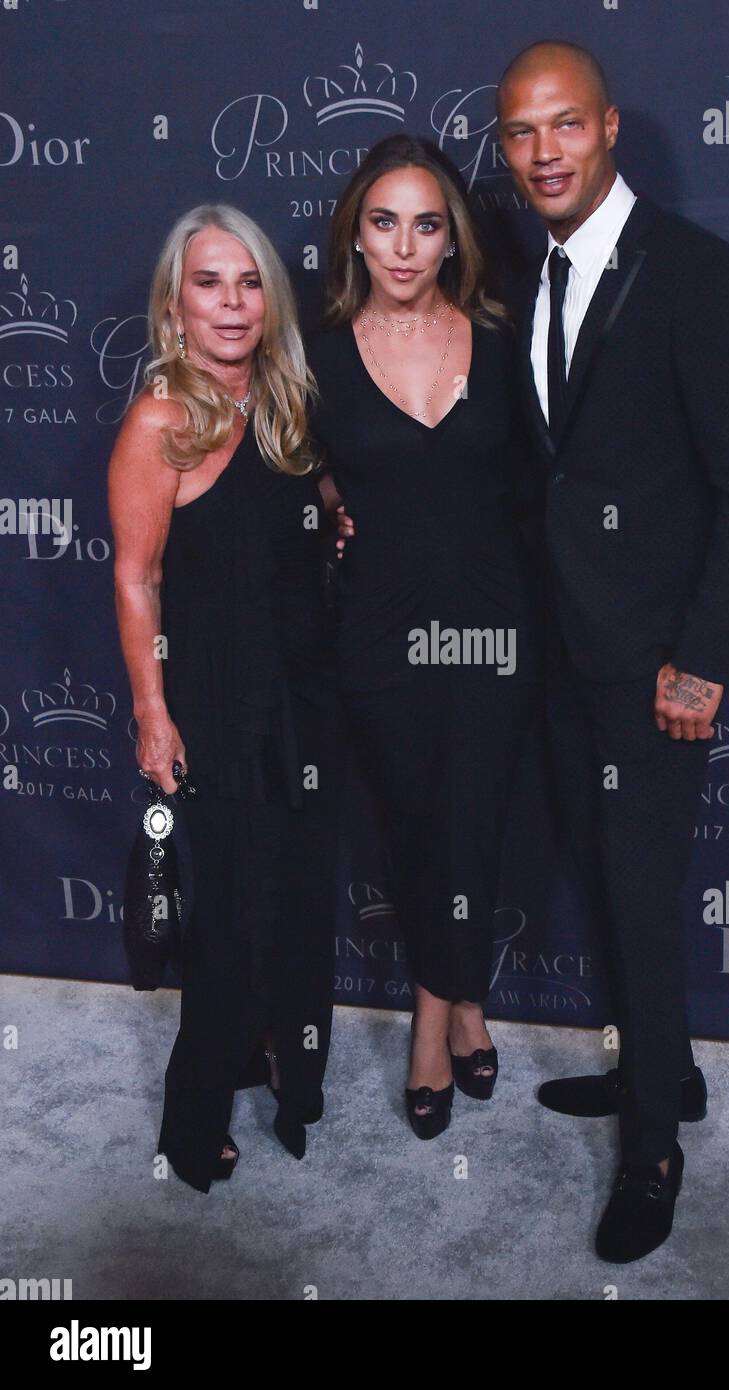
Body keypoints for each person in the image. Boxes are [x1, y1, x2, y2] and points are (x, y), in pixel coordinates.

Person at [495, 41, 729, 1260]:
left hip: (659, 663)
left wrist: (702, 662)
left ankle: (655, 1157)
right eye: (521, 134)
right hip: (567, 651)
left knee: (639, 895)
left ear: (609, 127)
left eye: (565, 125)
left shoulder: (697, 274)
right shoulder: (531, 278)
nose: (545, 152)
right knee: (605, 877)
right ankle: (656, 1074)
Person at [307, 134, 543, 1139]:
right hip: (377, 636)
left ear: (453, 240)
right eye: (384, 222)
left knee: (474, 820)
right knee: (414, 831)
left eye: (427, 225)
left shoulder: (503, 338)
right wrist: (320, 497)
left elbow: (548, 484)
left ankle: (430, 1023)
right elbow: (283, 471)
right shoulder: (313, 352)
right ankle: (471, 1003)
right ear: (357, 236)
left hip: (491, 631)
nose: (404, 246)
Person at [108, 204, 338, 1193]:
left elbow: (302, 525)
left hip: (305, 698)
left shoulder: (286, 408)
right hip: (220, 706)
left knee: (297, 904)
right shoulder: (163, 420)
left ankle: (281, 1059)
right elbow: (134, 576)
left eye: (249, 283)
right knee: (236, 918)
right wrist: (152, 713)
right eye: (210, 282)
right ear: (176, 303)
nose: (232, 302)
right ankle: (190, 1122)